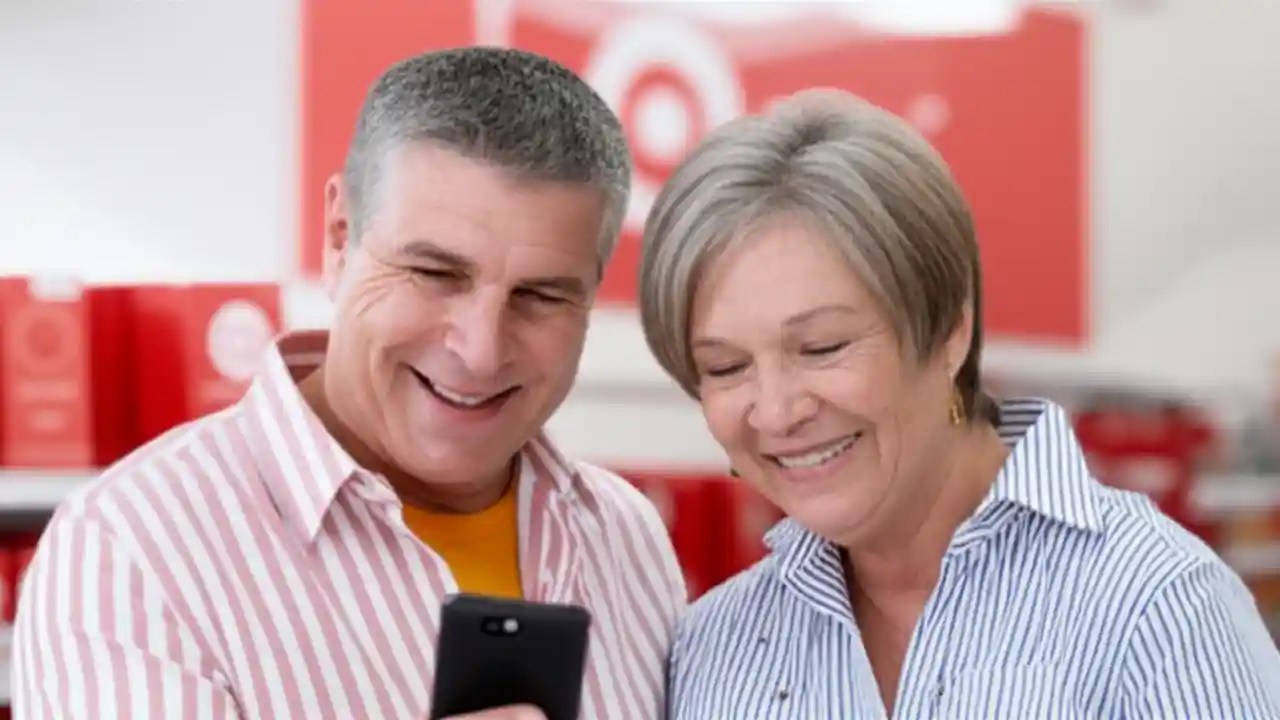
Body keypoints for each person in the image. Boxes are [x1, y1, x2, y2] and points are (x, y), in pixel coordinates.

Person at [12, 47, 686, 720]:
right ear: (340, 237)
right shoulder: (133, 553)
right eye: (434, 273)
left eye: (541, 295)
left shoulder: (625, 536)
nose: (480, 352)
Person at [638, 88, 1280, 718]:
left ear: (951, 329)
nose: (776, 412)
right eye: (726, 367)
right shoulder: (712, 651)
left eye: (823, 346)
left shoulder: (1155, 609)